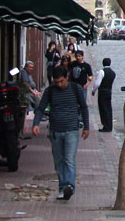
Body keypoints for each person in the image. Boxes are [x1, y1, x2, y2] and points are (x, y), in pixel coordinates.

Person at [32, 66, 89, 201]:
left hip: (71, 131)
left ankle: (69, 185)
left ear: (67, 77)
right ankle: (62, 188)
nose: (59, 84)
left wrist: (86, 127)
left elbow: (84, 108)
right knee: (59, 162)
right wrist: (35, 124)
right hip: (55, 132)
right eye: (56, 82)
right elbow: (40, 108)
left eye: (61, 81)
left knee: (69, 160)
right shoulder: (50, 91)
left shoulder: (76, 89)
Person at [91, 57, 116, 132]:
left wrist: (93, 90)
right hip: (109, 92)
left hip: (102, 92)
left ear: (103, 63)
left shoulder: (102, 71)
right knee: (109, 109)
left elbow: (97, 83)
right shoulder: (113, 73)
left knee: (103, 109)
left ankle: (105, 126)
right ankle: (110, 125)